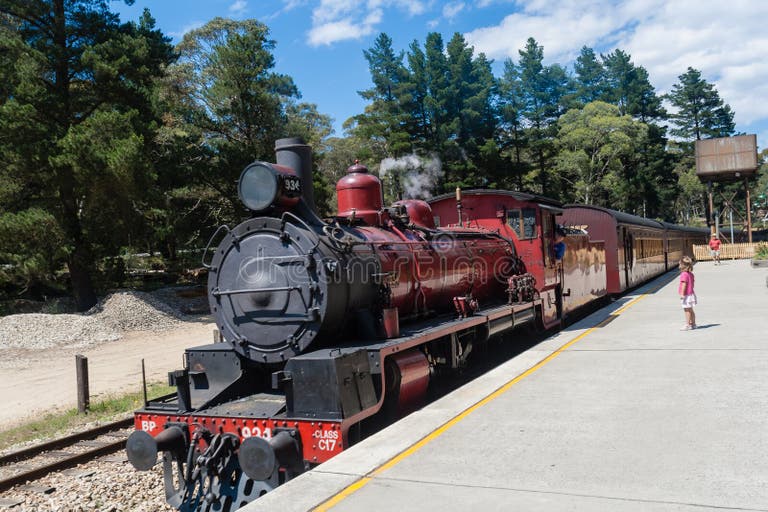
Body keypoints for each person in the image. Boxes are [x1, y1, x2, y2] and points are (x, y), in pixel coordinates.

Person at [678, 256, 697, 330]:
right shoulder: (691, 274)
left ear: (683, 265)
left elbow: (684, 284)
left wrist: (682, 294)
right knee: (691, 310)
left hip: (686, 295)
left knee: (687, 310)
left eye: (680, 264)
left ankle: (687, 325)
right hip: (691, 294)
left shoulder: (684, 274)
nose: (679, 266)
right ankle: (693, 324)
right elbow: (692, 284)